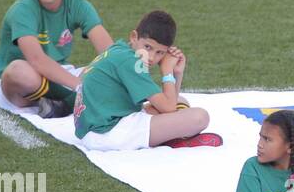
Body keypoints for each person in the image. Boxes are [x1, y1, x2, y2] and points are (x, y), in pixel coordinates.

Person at [0, 0, 112, 118]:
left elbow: (108, 51)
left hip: (60, 73)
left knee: (103, 67)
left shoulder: (77, 5)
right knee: (19, 70)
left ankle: (57, 105)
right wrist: (79, 89)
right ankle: (68, 103)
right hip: (22, 85)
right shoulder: (23, 9)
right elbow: (36, 60)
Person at [73, 10, 221, 151]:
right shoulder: (132, 62)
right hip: (105, 134)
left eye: (160, 53)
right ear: (134, 37)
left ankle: (168, 135)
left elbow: (170, 103)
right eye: (148, 47)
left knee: (181, 101)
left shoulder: (121, 49)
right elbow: (169, 107)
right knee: (200, 117)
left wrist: (178, 73)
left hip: (98, 126)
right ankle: (171, 138)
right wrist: (167, 70)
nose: (151, 57)